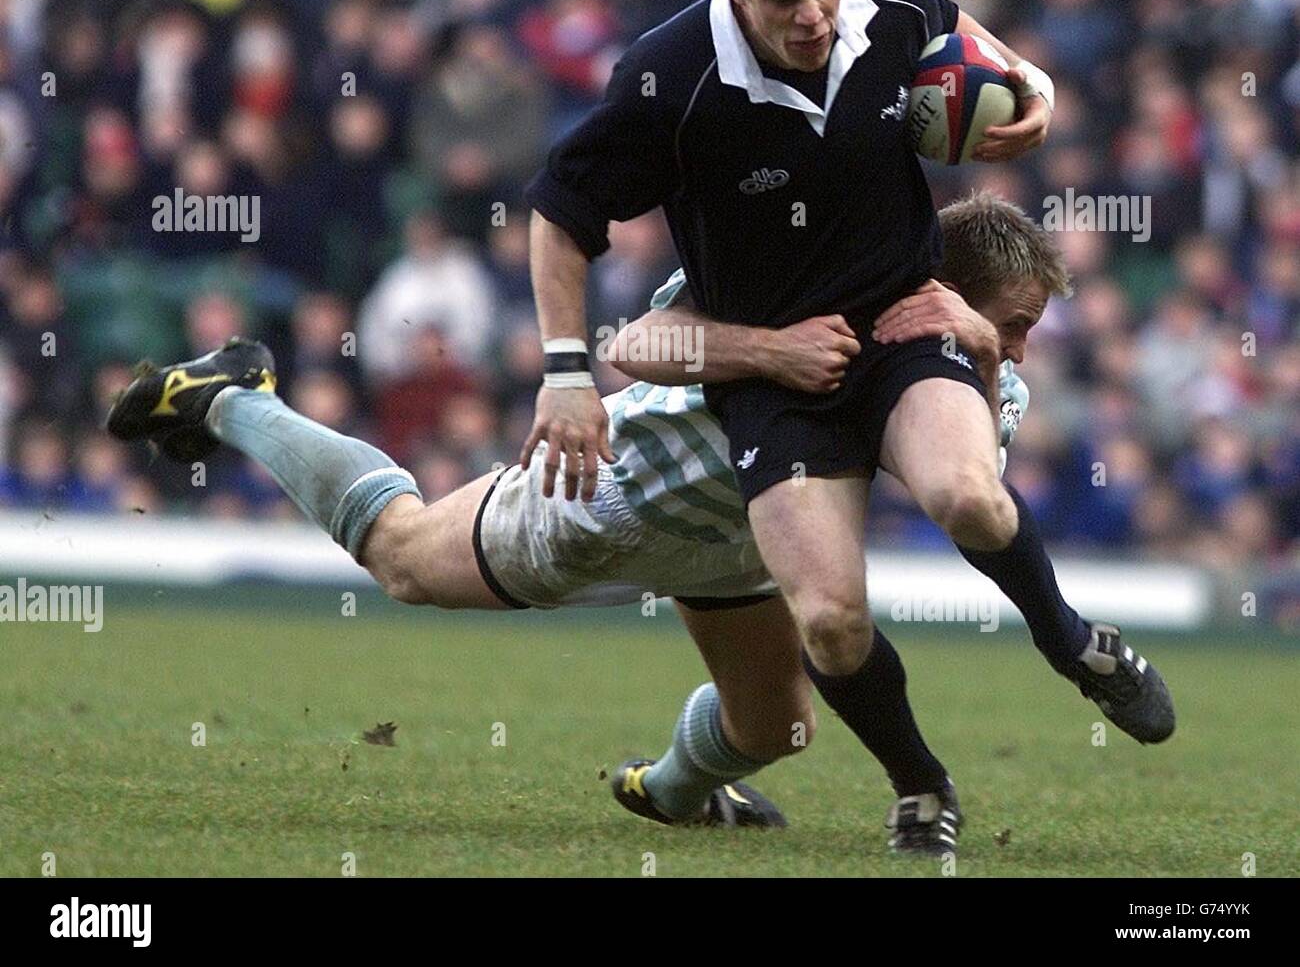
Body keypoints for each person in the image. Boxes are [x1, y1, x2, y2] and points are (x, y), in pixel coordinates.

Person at [104, 192, 1172, 857]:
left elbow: (966, 488)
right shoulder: (790, 275)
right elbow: (636, 344)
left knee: (779, 730)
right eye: (1014, 323)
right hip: (611, 493)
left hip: (747, 542)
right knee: (404, 559)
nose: (1019, 349)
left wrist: (975, 359)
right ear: (945, 288)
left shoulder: (980, 391)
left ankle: (664, 795)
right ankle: (233, 396)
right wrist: (771, 349)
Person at [519, 0, 1170, 847]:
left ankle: (1074, 642)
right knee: (827, 620)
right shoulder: (669, 80)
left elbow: (976, 42)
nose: (814, 14)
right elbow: (560, 215)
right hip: (774, 378)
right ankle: (922, 786)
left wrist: (1032, 92)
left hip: (903, 320)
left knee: (969, 497)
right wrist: (566, 371)